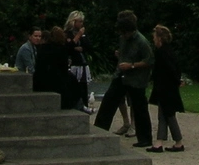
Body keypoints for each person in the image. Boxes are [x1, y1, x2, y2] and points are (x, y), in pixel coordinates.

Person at [92, 10, 153, 149]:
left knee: (140, 108)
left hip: (136, 79)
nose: (123, 36)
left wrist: (131, 65)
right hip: (122, 75)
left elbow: (149, 61)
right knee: (109, 101)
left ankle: (145, 138)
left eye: (124, 33)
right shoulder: (123, 39)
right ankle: (99, 131)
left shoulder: (142, 42)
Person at [147, 24, 185, 152]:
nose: (153, 39)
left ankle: (173, 142)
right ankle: (161, 142)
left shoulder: (162, 52)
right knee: (165, 114)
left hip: (165, 87)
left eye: (154, 37)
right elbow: (176, 68)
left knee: (167, 114)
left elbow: (168, 70)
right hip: (167, 87)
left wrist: (175, 80)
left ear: (160, 38)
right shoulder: (168, 51)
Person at [32, 26, 75, 108]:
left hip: (40, 81)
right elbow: (64, 69)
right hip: (56, 81)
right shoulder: (62, 49)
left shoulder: (43, 48)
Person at [64, 11, 93, 112]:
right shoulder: (67, 34)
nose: (81, 24)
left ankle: (84, 105)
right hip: (73, 64)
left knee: (83, 87)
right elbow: (69, 47)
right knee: (75, 86)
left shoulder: (83, 33)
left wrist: (81, 45)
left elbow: (88, 46)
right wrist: (78, 36)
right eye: (79, 21)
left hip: (82, 63)